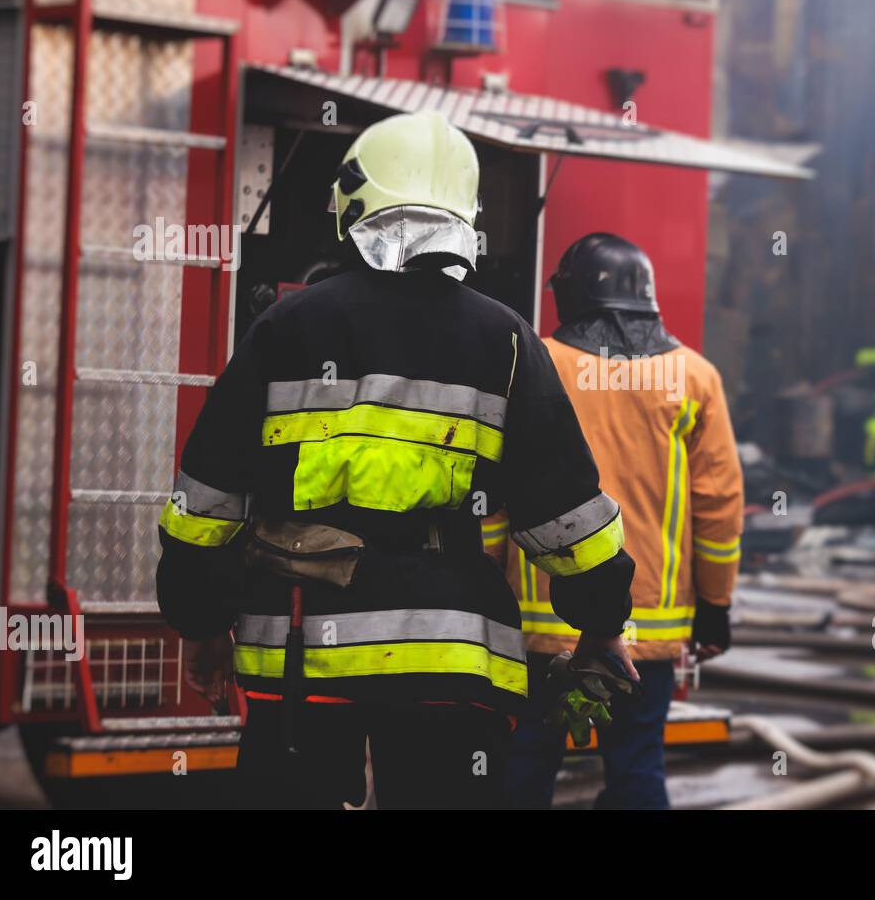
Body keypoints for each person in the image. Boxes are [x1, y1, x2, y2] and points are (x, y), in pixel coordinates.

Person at [155, 112, 636, 809]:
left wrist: (199, 620)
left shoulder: (286, 328)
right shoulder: (503, 338)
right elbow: (565, 512)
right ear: (464, 216)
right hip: (450, 661)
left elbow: (208, 501)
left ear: (353, 203)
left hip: (300, 655)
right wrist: (602, 621)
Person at [487, 232, 744, 809]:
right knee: (636, 770)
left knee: (522, 768)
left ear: (570, 295)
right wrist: (716, 607)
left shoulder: (536, 362)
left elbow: (496, 495)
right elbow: (719, 506)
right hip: (646, 633)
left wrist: (480, 586)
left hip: (537, 629)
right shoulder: (696, 379)